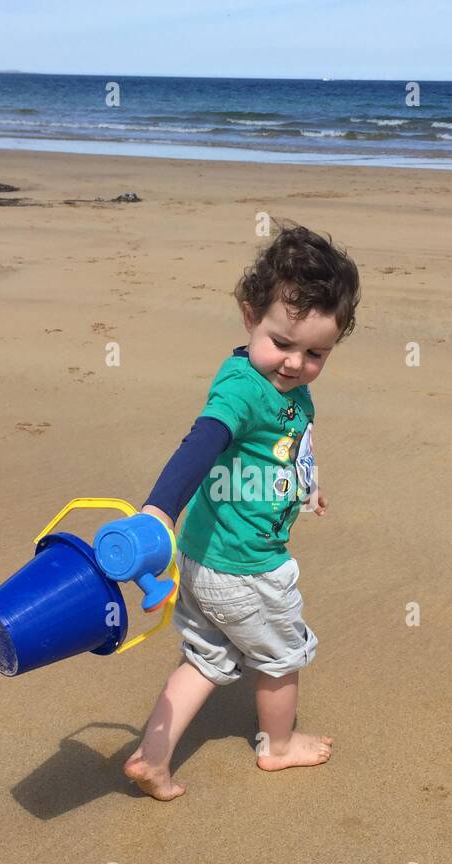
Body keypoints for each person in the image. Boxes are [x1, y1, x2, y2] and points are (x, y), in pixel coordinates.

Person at [124, 223, 361, 800]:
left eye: (316, 354)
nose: (294, 364)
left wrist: (307, 484)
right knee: (281, 655)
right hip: (248, 566)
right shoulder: (241, 389)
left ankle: (151, 755)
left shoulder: (285, 389)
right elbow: (201, 444)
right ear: (250, 314)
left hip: (203, 561)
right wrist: (159, 509)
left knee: (206, 657)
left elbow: (282, 447)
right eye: (282, 343)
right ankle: (278, 747)